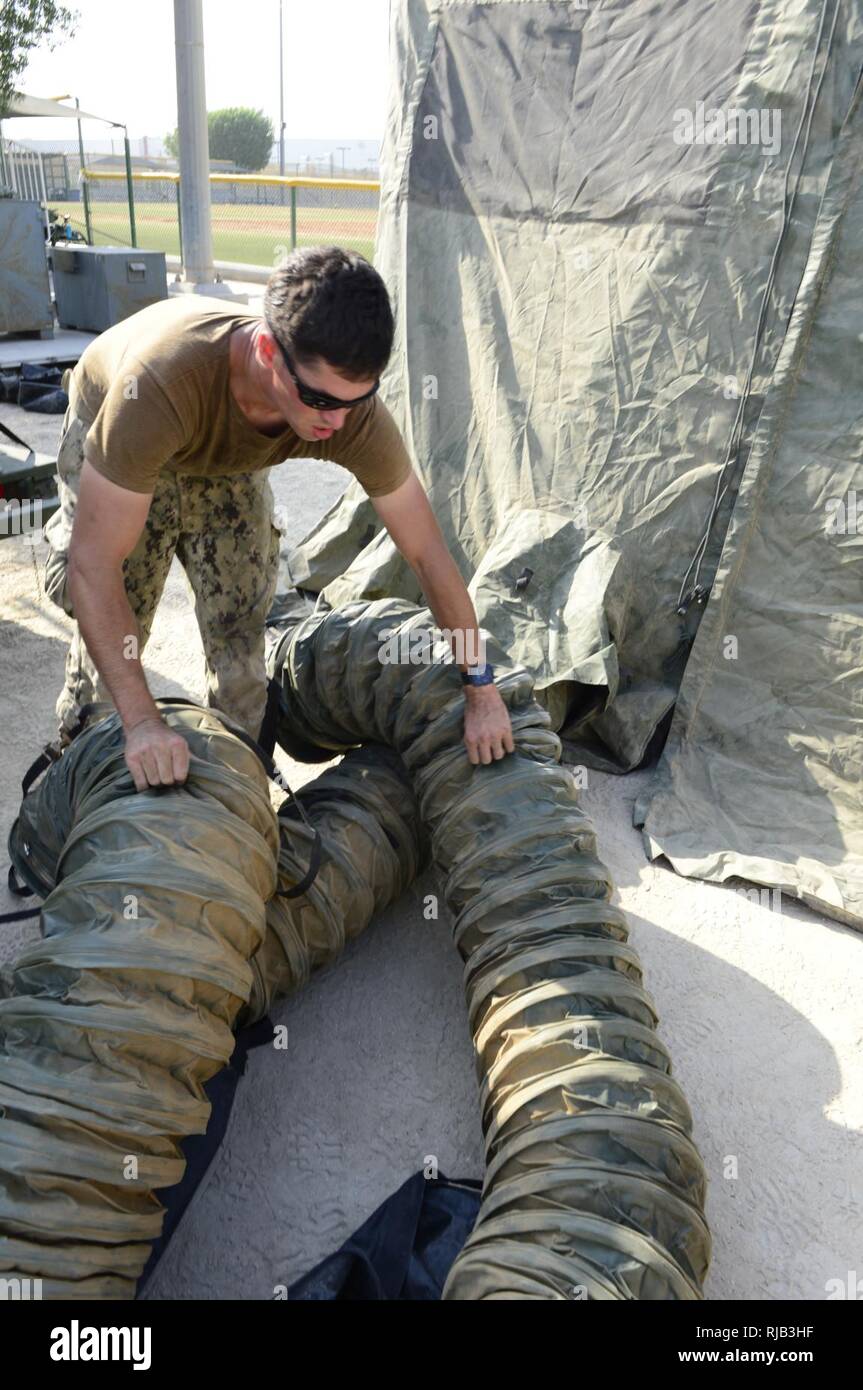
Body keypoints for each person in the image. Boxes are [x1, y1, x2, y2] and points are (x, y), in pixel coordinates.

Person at [44, 245, 514, 791]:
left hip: (226, 458)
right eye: (318, 399)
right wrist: (145, 722)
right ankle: (76, 786)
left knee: (240, 630)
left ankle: (233, 793)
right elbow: (94, 565)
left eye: (355, 401)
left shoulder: (345, 412)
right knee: (119, 636)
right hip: (122, 435)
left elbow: (427, 553)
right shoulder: (159, 385)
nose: (337, 422)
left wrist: (481, 689)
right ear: (267, 349)